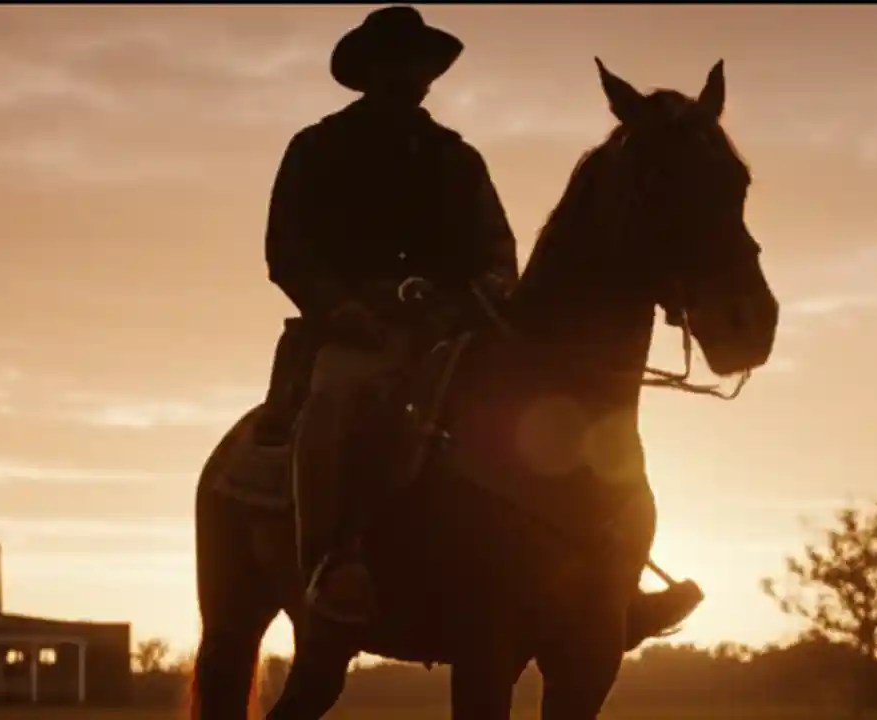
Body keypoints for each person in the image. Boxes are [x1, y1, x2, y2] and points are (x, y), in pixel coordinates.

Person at [256, 5, 703, 635]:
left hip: (453, 324)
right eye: (397, 64)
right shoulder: (316, 150)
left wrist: (491, 285)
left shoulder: (456, 157)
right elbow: (288, 251)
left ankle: (612, 573)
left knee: (557, 412)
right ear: (370, 72)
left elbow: (496, 245)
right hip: (356, 330)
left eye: (419, 65)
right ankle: (333, 561)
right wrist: (342, 308)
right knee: (334, 402)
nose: (411, 76)